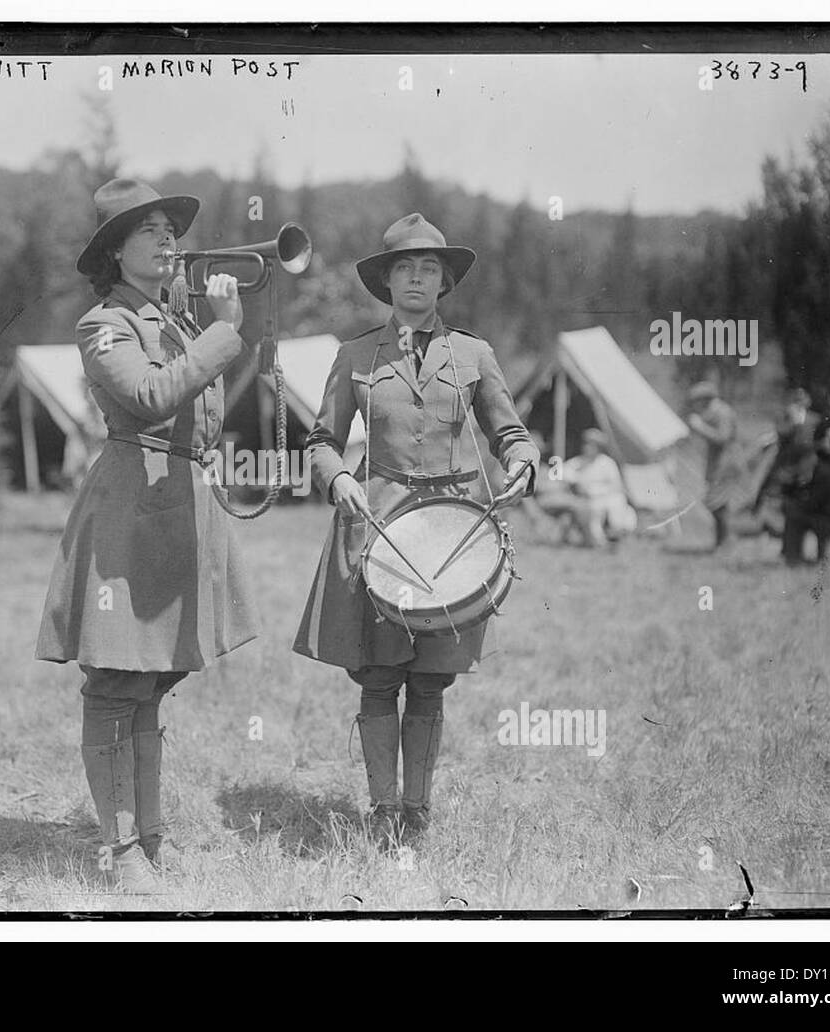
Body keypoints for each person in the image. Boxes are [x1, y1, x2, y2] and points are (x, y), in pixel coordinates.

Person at [35, 179, 261, 892]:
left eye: (171, 229)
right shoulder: (104, 323)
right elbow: (150, 396)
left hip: (180, 502)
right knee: (115, 679)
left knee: (154, 682)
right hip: (134, 504)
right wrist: (226, 328)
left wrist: (202, 325)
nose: (169, 240)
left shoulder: (177, 323)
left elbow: (201, 407)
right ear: (114, 251)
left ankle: (148, 838)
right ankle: (120, 850)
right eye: (149, 231)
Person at [293, 213, 539, 845]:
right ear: (387, 281)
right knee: (379, 676)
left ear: (444, 281)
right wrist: (337, 478)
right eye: (405, 267)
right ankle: (380, 811)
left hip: (456, 533)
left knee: (430, 679)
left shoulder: (474, 355)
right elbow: (321, 441)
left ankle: (417, 812)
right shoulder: (355, 356)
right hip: (379, 528)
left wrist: (522, 461)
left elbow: (508, 431)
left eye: (429, 268)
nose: (417, 279)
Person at [685, 380, 748, 550]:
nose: (695, 405)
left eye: (696, 401)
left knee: (717, 502)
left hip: (727, 464)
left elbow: (723, 438)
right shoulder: (713, 412)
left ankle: (726, 541)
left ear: (705, 399)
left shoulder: (722, 412)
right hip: (720, 464)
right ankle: (722, 541)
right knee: (717, 503)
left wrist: (700, 427)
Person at [557, 428, 636, 547]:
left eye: (592, 445)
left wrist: (598, 490)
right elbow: (562, 471)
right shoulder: (579, 462)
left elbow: (616, 485)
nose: (588, 447)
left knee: (616, 505)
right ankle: (598, 541)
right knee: (592, 511)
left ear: (598, 448)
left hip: (607, 497)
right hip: (588, 500)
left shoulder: (607, 463)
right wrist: (574, 478)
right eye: (587, 444)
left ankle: (615, 535)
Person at [781, 443, 830, 563]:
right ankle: (792, 556)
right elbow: (794, 497)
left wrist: (794, 501)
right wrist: (789, 484)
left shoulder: (825, 475)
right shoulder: (812, 473)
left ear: (808, 459)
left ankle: (794, 558)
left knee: (794, 515)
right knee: (793, 514)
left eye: (799, 463)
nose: (798, 467)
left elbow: (811, 504)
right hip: (822, 516)